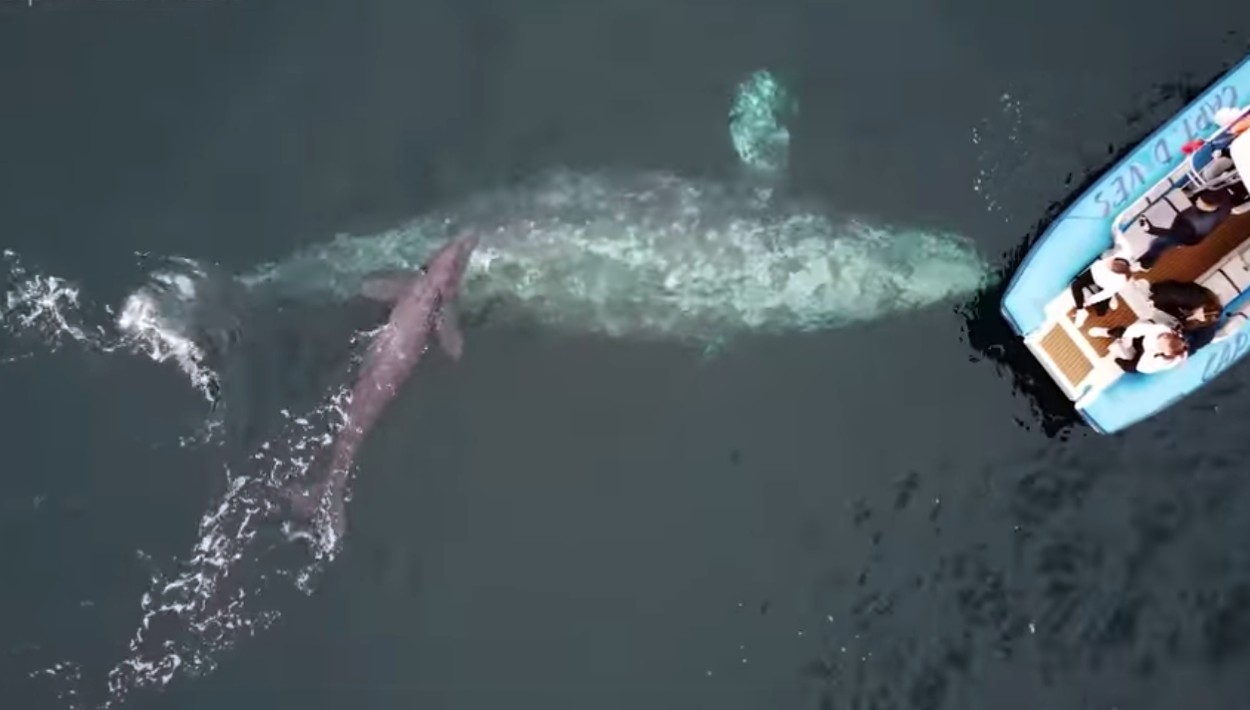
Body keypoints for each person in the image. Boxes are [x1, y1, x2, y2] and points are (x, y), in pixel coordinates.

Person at [1136, 188, 1235, 268]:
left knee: (1159, 243)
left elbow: (1173, 233)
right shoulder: (1224, 206)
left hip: (1189, 234)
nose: (1197, 201)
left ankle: (1145, 264)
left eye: (1200, 202)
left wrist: (1150, 229)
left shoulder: (1192, 224)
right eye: (1199, 199)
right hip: (1195, 233)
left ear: (1209, 208)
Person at [1088, 319, 1188, 373]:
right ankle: (1106, 332)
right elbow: (1135, 329)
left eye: (1161, 347)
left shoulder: (1165, 361)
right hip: (1143, 338)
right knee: (1121, 332)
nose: (1159, 345)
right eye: (1161, 341)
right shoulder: (1160, 329)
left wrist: (1148, 354)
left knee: (1130, 368)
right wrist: (1128, 338)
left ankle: (1115, 358)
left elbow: (1143, 368)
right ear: (1166, 335)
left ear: (1167, 353)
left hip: (1146, 353)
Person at [1070, 253, 1136, 326]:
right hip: (1093, 274)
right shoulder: (1117, 257)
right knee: (1075, 285)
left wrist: (1087, 303)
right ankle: (1081, 311)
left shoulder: (1118, 284)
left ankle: (1111, 296)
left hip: (1105, 285)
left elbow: (1100, 296)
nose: (1109, 264)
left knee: (1101, 312)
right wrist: (1080, 307)